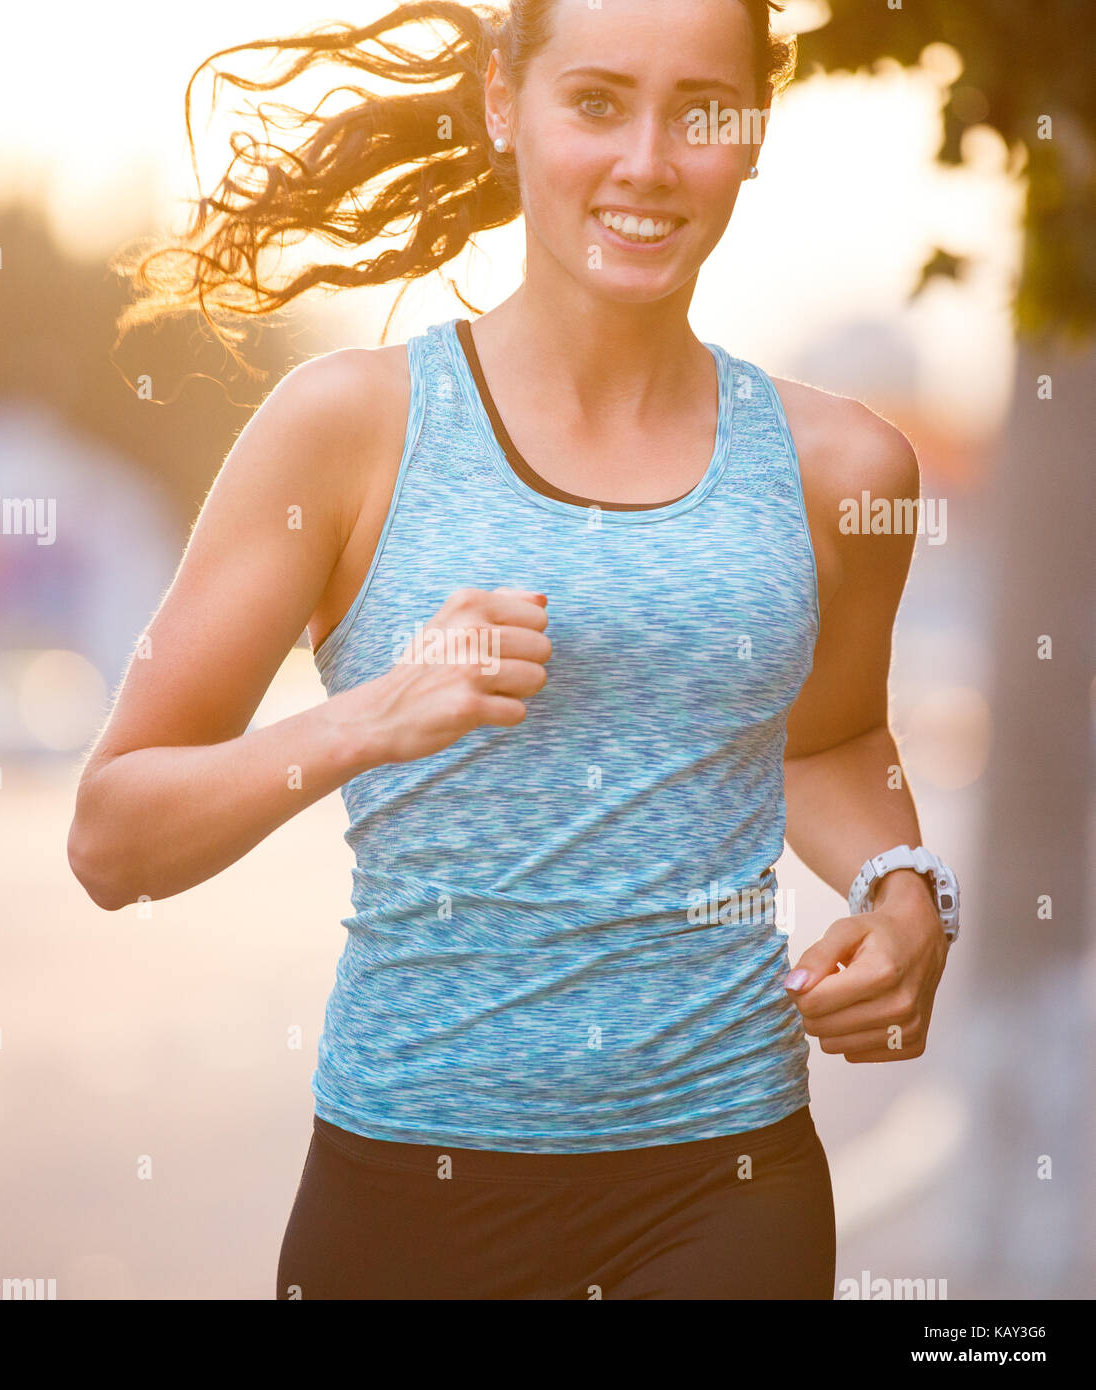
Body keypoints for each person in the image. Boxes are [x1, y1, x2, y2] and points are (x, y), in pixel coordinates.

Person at [69, 0, 960, 1299]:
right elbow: (110, 837)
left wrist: (904, 885)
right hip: (408, 1199)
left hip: (728, 1189)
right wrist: (367, 716)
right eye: (596, 101)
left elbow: (827, 742)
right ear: (505, 101)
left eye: (702, 111)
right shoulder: (349, 429)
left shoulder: (844, 468)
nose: (649, 160)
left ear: (756, 128)